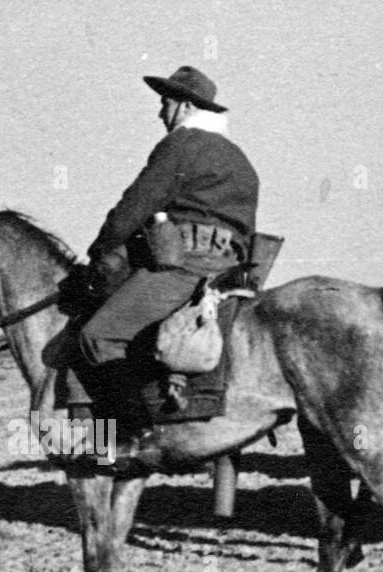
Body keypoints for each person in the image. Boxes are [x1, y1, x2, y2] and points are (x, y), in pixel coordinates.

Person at [74, 66, 259, 420]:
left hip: (187, 266)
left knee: (99, 336)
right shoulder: (239, 159)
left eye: (165, 103)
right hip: (228, 271)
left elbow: (135, 206)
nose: (160, 112)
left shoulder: (181, 145)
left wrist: (99, 251)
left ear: (186, 106)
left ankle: (132, 433)